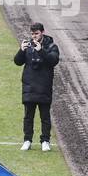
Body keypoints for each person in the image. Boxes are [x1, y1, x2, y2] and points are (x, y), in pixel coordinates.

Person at [14, 22, 60, 151]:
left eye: (36, 33)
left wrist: (41, 51)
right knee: (28, 116)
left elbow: (54, 60)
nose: (34, 36)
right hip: (29, 86)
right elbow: (17, 62)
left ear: (42, 32)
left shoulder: (51, 46)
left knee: (45, 116)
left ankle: (45, 141)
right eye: (32, 34)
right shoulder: (28, 46)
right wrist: (21, 50)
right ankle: (27, 140)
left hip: (44, 86)